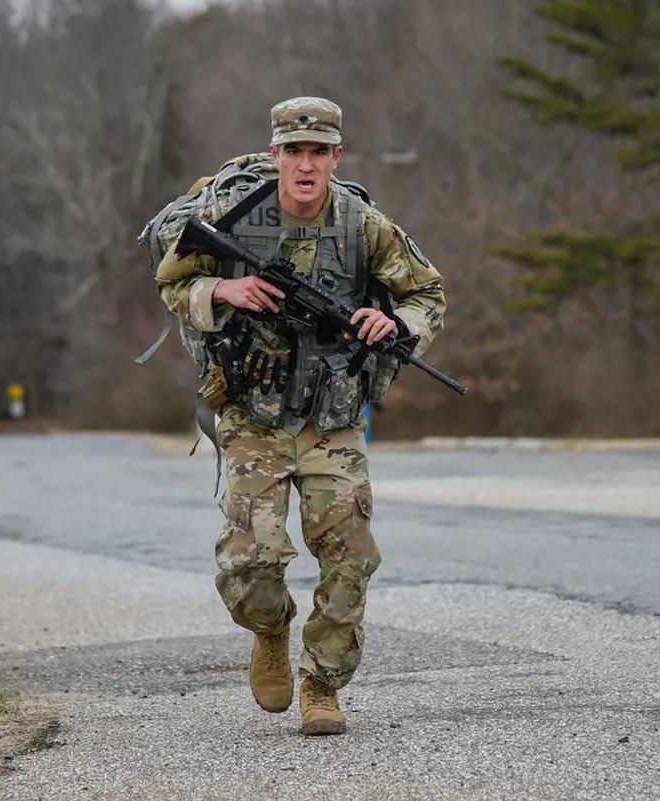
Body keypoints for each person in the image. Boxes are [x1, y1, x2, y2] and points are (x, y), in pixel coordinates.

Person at [154, 97, 446, 736]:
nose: (307, 165)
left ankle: (322, 684)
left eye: (320, 152)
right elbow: (173, 280)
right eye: (294, 151)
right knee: (248, 563)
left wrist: (393, 322)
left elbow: (429, 293)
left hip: (333, 418)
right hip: (252, 415)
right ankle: (269, 631)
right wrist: (222, 290)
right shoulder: (229, 214)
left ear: (337, 157)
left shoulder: (362, 225)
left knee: (350, 555)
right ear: (276, 154)